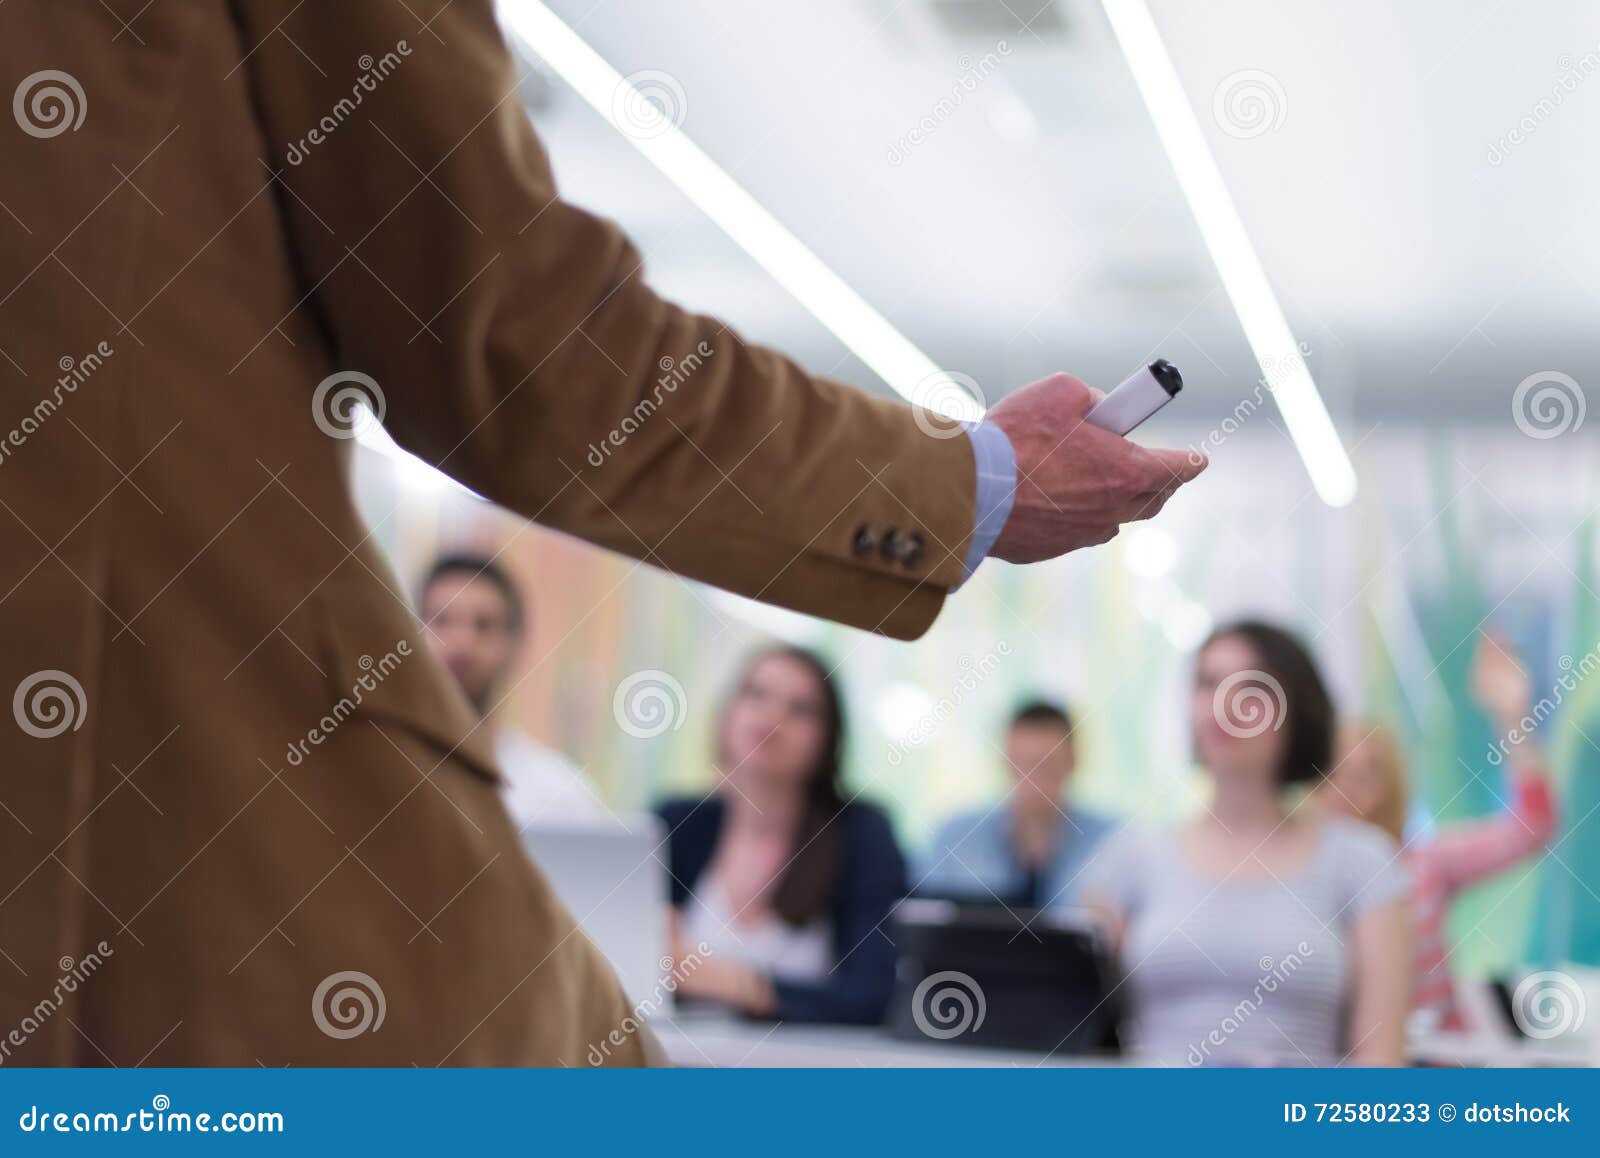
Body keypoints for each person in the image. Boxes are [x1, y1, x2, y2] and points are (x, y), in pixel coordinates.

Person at [0, 1, 1204, 1065]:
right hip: (174, 814)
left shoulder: (857, 843)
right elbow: (521, 344)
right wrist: (972, 481)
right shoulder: (676, 829)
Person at [1082, 621, 1412, 1066]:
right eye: (1208, 683)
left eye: (1250, 686)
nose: (1224, 704)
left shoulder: (1362, 861)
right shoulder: (1131, 858)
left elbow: (1380, 1058)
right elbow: (1073, 1029)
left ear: (1296, 710)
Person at [1318, 633, 1559, 1032]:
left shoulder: (1424, 865)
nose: (1345, 790)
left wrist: (1513, 717)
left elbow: (1532, 826)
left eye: (1363, 776)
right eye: (1331, 774)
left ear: (1389, 788)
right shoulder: (1297, 881)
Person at [658, 647, 905, 1024]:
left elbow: (874, 995)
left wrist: (733, 983)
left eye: (800, 709)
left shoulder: (862, 834)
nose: (772, 718)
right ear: (727, 714)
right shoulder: (677, 823)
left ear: (829, 740)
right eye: (756, 695)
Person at [417, 554, 609, 828]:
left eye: (484, 625)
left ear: (515, 645)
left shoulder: (563, 797)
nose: (462, 642)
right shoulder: (373, 776)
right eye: (441, 621)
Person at [917, 700, 1115, 909]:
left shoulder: (1112, 844)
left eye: (1047, 767)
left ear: (1073, 762)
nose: (1033, 782)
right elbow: (922, 923)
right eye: (1022, 765)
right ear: (1004, 762)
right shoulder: (954, 840)